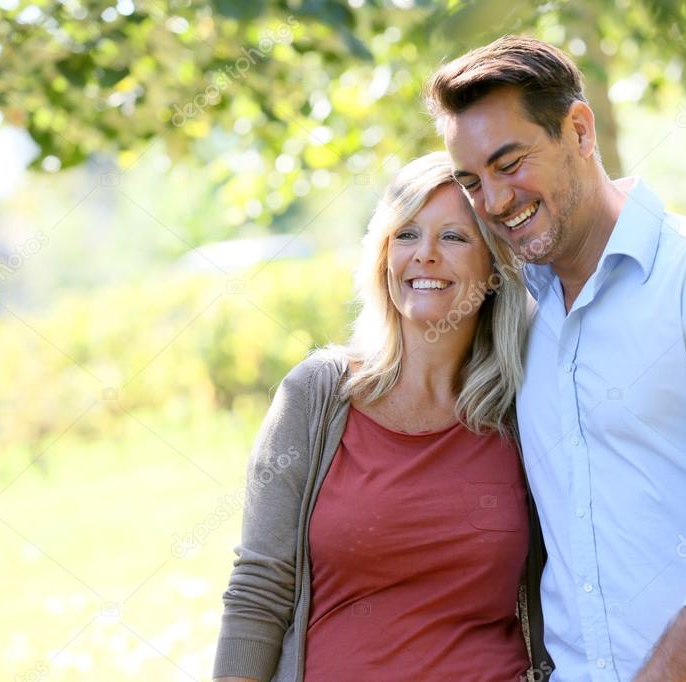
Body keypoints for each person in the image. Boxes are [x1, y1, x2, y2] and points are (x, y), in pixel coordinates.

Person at [427, 36, 686, 681]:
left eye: (510, 163)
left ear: (579, 129)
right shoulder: (513, 319)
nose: (495, 201)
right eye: (471, 181)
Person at [212, 151, 552, 682]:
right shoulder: (318, 395)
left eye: (455, 238)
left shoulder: (522, 410)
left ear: (493, 268)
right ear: (383, 256)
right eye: (407, 234)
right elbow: (260, 588)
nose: (426, 256)